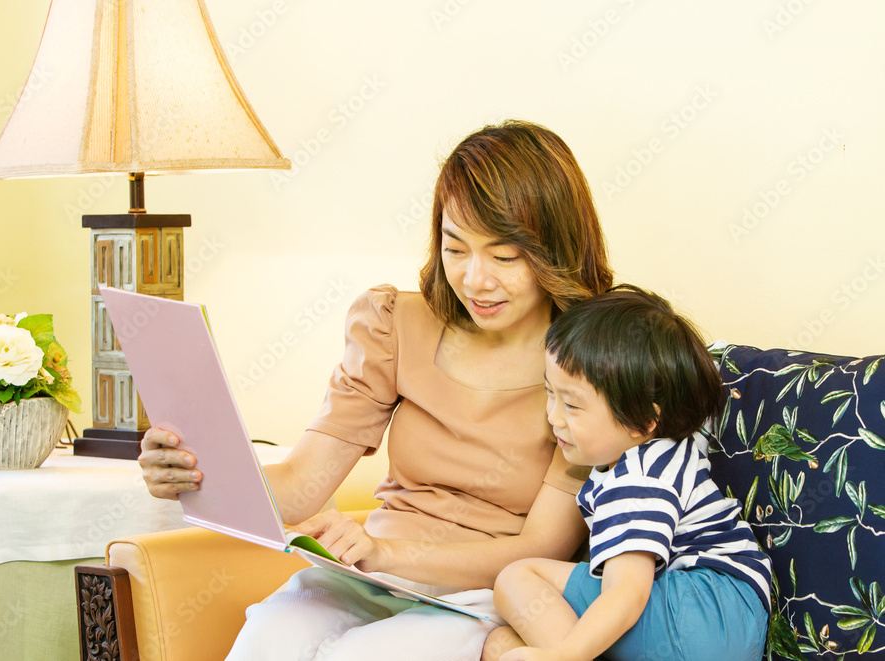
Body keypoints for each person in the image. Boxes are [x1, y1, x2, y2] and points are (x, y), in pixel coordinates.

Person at [138, 119, 614, 660]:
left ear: (556, 249)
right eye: (456, 249)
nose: (476, 280)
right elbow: (301, 483)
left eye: (504, 257)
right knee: (269, 638)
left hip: (488, 595)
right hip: (367, 573)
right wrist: (199, 473)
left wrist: (388, 552)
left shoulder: (590, 368)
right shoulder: (394, 324)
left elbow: (542, 547)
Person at [485, 285, 771, 661]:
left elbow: (627, 592)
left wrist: (567, 653)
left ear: (642, 419)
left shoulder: (636, 477)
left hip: (700, 608)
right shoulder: (669, 447)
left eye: (571, 404)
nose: (553, 416)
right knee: (501, 644)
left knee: (516, 579)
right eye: (549, 392)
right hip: (733, 623)